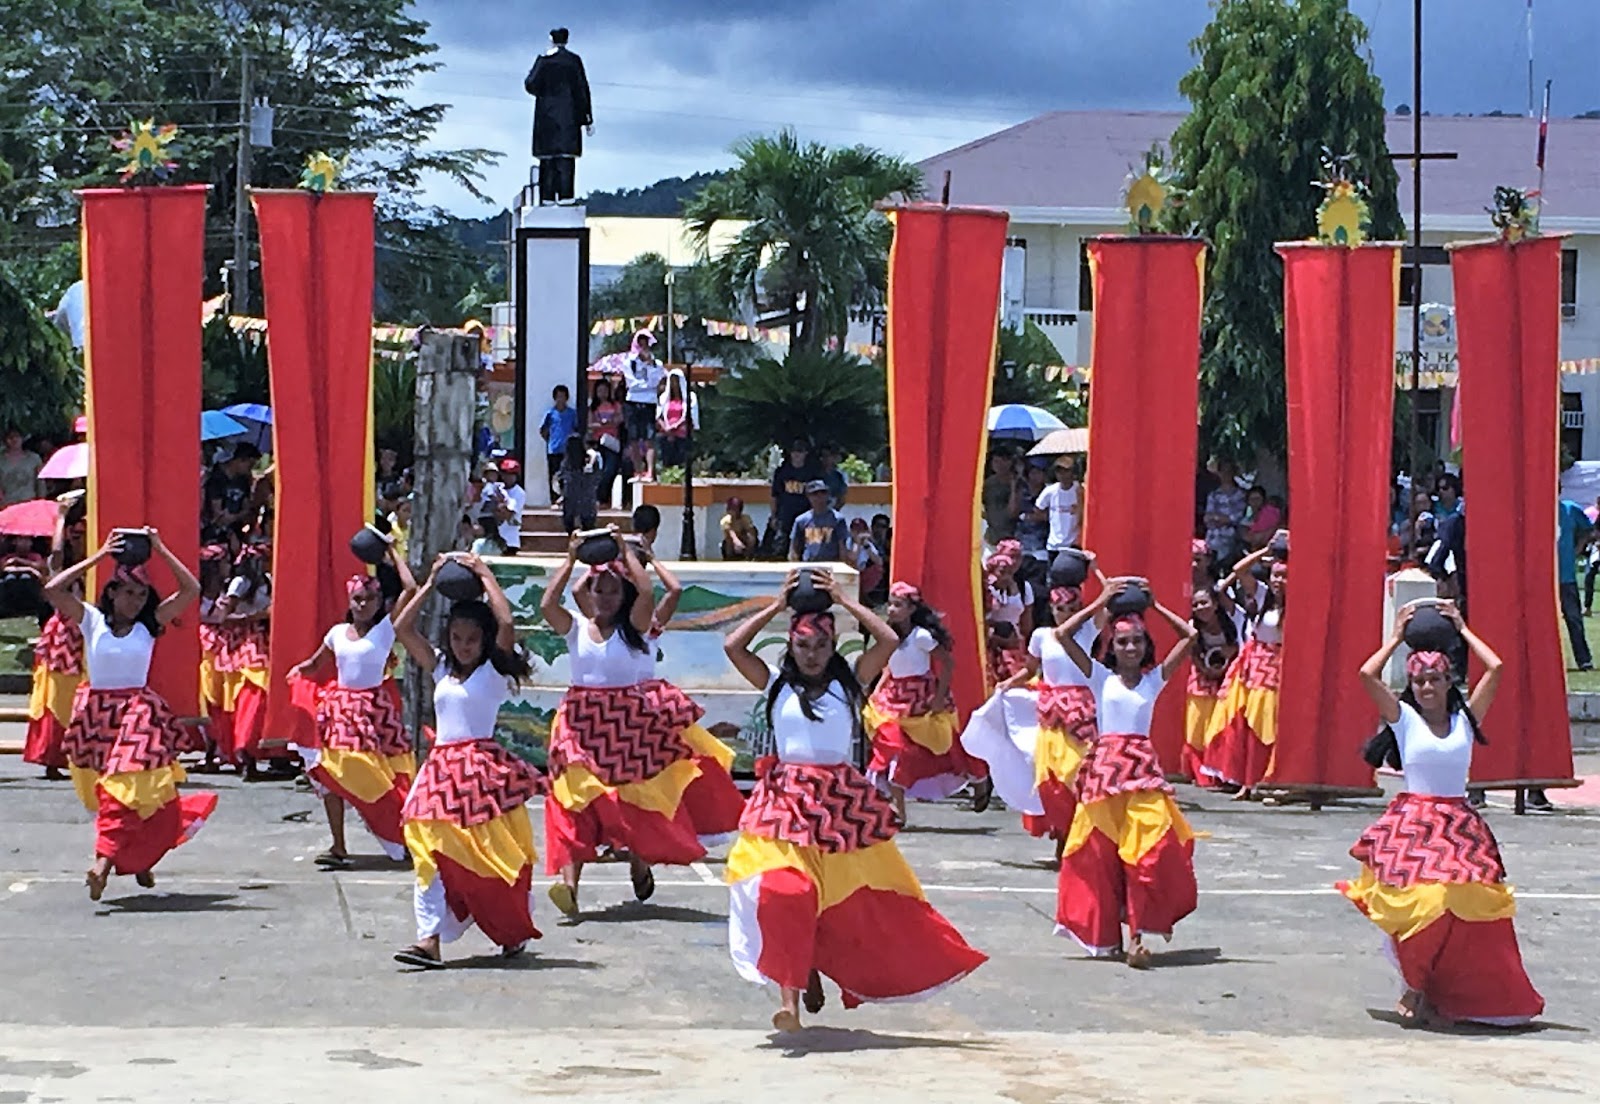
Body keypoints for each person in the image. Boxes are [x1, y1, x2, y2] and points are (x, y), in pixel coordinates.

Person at [722, 570, 987, 1031]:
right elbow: (733, 647)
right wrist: (777, 605)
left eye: (820, 647)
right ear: (791, 645)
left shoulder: (851, 683)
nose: (810, 655)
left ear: (832, 647)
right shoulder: (776, 684)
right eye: (802, 646)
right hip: (784, 800)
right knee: (788, 892)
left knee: (849, 900)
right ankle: (790, 1000)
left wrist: (844, 600)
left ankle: (815, 962)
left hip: (841, 804)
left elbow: (885, 639)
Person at [1342, 601, 1543, 1027]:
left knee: (1467, 904)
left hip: (1460, 828)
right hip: (1414, 827)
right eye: (1419, 681)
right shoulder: (1404, 719)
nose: (1427, 687)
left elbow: (1497, 668)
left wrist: (1463, 628)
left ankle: (1449, 990)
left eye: (1434, 679)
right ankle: (1415, 985)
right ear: (1411, 685)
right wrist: (1396, 635)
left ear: (1448, 681)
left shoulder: (1466, 720)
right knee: (1425, 904)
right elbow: (1366, 675)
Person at [538, 530, 744, 917]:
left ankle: (638, 859)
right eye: (599, 590)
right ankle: (569, 886)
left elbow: (652, 594)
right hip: (579, 722)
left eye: (613, 591)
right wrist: (574, 559)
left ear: (625, 596)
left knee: (631, 801)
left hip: (628, 725)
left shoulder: (637, 627)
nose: (604, 597)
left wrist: (626, 554)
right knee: (572, 797)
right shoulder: (577, 629)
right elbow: (549, 603)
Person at [42, 528, 214, 900]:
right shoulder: (91, 619)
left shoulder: (149, 624)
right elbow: (54, 589)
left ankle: (102, 865)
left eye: (141, 594)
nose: (135, 600)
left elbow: (191, 591)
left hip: (139, 714)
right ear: (112, 593)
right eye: (128, 592)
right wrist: (101, 554)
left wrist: (161, 547)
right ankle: (139, 861)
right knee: (120, 793)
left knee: (129, 787)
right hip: (99, 714)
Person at [391, 553, 541, 967]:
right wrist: (432, 580)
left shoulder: (493, 671)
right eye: (457, 637)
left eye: (472, 638)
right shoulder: (440, 667)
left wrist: (483, 572)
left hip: (480, 773)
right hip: (438, 773)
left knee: (486, 858)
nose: (463, 645)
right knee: (427, 850)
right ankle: (429, 940)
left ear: (484, 639)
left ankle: (508, 929)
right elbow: (402, 628)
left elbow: (507, 624)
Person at [1051, 578, 1199, 967]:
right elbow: (1064, 635)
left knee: (1143, 853)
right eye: (1122, 642)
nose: (1130, 647)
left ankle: (1136, 938)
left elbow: (1189, 635)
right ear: (1112, 648)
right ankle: (1112, 937)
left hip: (1143, 775)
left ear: (1146, 645)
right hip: (1103, 775)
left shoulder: (1154, 680)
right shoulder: (1100, 678)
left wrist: (1155, 604)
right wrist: (1102, 599)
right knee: (1101, 857)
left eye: (1137, 640)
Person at [288, 547, 418, 868]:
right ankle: (339, 846)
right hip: (338, 713)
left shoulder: (385, 630)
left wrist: (390, 552)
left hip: (374, 715)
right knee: (331, 776)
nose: (362, 604)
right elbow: (316, 663)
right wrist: (297, 672)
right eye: (357, 599)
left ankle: (399, 832)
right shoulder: (336, 633)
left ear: (378, 604)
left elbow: (411, 589)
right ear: (349, 600)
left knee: (378, 778)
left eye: (368, 600)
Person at [993, 576, 1107, 852]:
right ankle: (1061, 835)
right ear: (1052, 609)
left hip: (1083, 711)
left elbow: (1106, 603)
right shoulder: (1041, 635)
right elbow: (1030, 669)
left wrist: (1096, 572)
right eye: (1060, 609)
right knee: (1052, 775)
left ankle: (1079, 834)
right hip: (1052, 712)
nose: (1065, 614)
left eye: (1071, 608)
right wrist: (1008, 683)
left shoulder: (1088, 631)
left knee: (1077, 771)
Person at [864, 581, 982, 819]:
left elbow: (948, 663)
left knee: (945, 745)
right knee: (894, 747)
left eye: (898, 605)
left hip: (920, 697)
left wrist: (939, 698)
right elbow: (889, 666)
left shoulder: (921, 636)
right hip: (893, 697)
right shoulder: (889, 634)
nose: (891, 610)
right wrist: (877, 690)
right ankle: (899, 808)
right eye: (890, 604)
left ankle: (977, 777)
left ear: (911, 609)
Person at [1204, 544, 1285, 798]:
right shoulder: (1263, 596)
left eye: (1284, 576)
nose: (1278, 580)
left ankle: (1263, 780)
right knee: (1243, 723)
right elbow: (1239, 570)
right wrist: (1266, 551)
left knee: (1266, 724)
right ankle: (1245, 781)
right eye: (1275, 574)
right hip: (1251, 665)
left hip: (1275, 668)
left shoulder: (1300, 603)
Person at [217, 543, 280, 776]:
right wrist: (258, 616)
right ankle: (245, 752)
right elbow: (225, 618)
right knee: (253, 697)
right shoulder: (240, 583)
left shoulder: (268, 579)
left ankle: (261, 751)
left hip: (266, 642)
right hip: (248, 645)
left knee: (265, 700)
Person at [524, 27, 593, 205]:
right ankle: (566, 196)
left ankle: (547, 197)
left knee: (547, 161)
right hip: (570, 119)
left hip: (546, 118)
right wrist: (587, 118)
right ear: (567, 40)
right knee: (566, 160)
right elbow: (582, 89)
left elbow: (530, 84)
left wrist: (541, 62)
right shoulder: (574, 61)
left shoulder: (544, 61)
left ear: (551, 39)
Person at [1184, 585, 1239, 785]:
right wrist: (1205, 669)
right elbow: (1191, 653)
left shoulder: (1231, 622)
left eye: (1204, 602)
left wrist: (1227, 654)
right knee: (1197, 725)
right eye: (1196, 604)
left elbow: (1239, 646)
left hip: (1227, 677)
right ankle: (1199, 771)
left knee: (1217, 724)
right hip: (1201, 677)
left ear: (1215, 604)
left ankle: (1218, 768)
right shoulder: (1192, 626)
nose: (1200, 608)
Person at [983, 540, 1033, 686]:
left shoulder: (1024, 587)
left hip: (1015, 645)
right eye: (1011, 556)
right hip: (993, 643)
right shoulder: (986, 589)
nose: (1015, 561)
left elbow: (1027, 621)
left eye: (1018, 557)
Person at [621, 331, 663, 481]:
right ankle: (638, 471)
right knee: (633, 438)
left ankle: (650, 472)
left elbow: (655, 381)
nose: (643, 345)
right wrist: (645, 385)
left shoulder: (657, 363)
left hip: (649, 402)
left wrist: (649, 365)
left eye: (646, 341)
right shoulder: (629, 362)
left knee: (649, 438)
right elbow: (631, 383)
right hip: (633, 401)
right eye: (640, 342)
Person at [1557, 493, 1593, 672]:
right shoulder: (1536, 512)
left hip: (1565, 577)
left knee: (1573, 618)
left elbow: (1589, 530)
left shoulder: (1570, 509)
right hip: (1541, 577)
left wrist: (1577, 549)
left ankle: (1584, 659)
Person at [770, 440, 823, 558]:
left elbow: (819, 496)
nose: (796, 454)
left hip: (808, 515)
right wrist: (774, 516)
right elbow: (774, 495)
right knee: (780, 548)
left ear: (806, 453)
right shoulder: (782, 472)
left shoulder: (812, 473)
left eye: (800, 451)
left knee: (813, 546)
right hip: (785, 515)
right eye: (794, 451)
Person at [203, 442, 262, 540]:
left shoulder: (243, 481)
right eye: (250, 464)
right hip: (214, 533)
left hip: (236, 532)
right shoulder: (216, 479)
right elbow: (217, 513)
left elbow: (247, 508)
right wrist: (237, 516)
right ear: (239, 460)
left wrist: (236, 517)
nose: (250, 468)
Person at [1036, 458, 1082, 566]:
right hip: (1054, 545)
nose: (1062, 475)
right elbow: (1038, 508)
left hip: (1073, 544)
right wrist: (1051, 516)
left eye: (1066, 471)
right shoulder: (1050, 491)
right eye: (1059, 471)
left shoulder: (1080, 490)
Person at [788, 481, 848, 562]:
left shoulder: (837, 519)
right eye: (815, 494)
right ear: (808, 496)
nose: (819, 497)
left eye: (823, 493)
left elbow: (842, 547)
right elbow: (794, 549)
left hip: (831, 565)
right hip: (809, 565)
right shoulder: (801, 520)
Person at [1203, 458, 1247, 566]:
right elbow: (1207, 518)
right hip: (1212, 539)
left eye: (1229, 471)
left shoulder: (1240, 495)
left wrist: (1217, 518)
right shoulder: (1213, 495)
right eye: (1223, 471)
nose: (1226, 474)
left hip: (1230, 540)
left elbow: (1238, 518)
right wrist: (1223, 519)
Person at [540, 384, 579, 500]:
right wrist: (549, 441)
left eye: (563, 396)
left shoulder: (572, 413)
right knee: (554, 475)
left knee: (567, 475)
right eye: (558, 396)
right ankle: (554, 499)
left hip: (567, 450)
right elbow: (542, 429)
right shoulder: (550, 413)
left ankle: (566, 499)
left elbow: (576, 428)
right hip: (553, 449)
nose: (560, 399)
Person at [654, 367, 696, 471]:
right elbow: (658, 415)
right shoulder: (664, 398)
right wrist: (666, 428)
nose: (674, 384)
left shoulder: (690, 397)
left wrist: (676, 426)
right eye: (672, 381)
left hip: (682, 434)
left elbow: (690, 415)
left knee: (681, 461)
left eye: (676, 381)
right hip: (666, 433)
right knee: (666, 461)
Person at [556, 438, 600, 534]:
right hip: (587, 500)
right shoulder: (588, 461)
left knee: (570, 522)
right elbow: (597, 476)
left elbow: (560, 479)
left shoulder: (566, 464)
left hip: (572, 500)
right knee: (588, 524)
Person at [982, 450, 1020, 546]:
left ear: (1010, 462)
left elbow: (1013, 512)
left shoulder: (1018, 482)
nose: (999, 465)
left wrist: (1013, 487)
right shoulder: (988, 483)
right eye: (996, 461)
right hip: (991, 536)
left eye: (1003, 461)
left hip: (1012, 538)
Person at [490, 459, 527, 554]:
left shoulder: (519, 493)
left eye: (512, 474)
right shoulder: (496, 488)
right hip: (493, 540)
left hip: (510, 542)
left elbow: (507, 514)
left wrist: (499, 500)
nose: (508, 477)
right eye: (505, 473)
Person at [0, 427, 42, 506]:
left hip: (30, 502)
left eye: (17, 436)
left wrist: (41, 501)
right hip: (7, 504)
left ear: (22, 439)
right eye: (10, 437)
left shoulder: (34, 458)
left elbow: (40, 482)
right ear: (5, 440)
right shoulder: (1, 460)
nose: (14, 440)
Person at [848, 517, 885, 602]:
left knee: (878, 569)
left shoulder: (868, 544)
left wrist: (866, 546)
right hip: (851, 572)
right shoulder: (848, 541)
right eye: (855, 530)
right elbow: (852, 558)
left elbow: (879, 562)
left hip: (863, 574)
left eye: (860, 530)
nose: (858, 533)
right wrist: (857, 543)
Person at [1241, 487, 1283, 551]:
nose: (1255, 502)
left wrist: (1265, 534)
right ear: (1248, 502)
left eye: (1257, 499)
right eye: (1252, 499)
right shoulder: (1245, 521)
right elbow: (1247, 538)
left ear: (1263, 500)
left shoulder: (1271, 513)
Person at [719, 496, 759, 561]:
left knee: (751, 537)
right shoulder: (725, 520)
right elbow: (730, 533)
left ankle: (748, 557)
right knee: (729, 541)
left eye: (735, 509)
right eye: (730, 509)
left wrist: (750, 542)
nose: (732, 512)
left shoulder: (745, 518)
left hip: (743, 538)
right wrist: (737, 543)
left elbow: (751, 530)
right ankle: (729, 558)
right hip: (731, 542)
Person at [818, 444, 849, 510]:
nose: (824, 459)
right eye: (822, 456)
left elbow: (842, 498)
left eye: (827, 456)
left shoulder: (840, 475)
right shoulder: (815, 473)